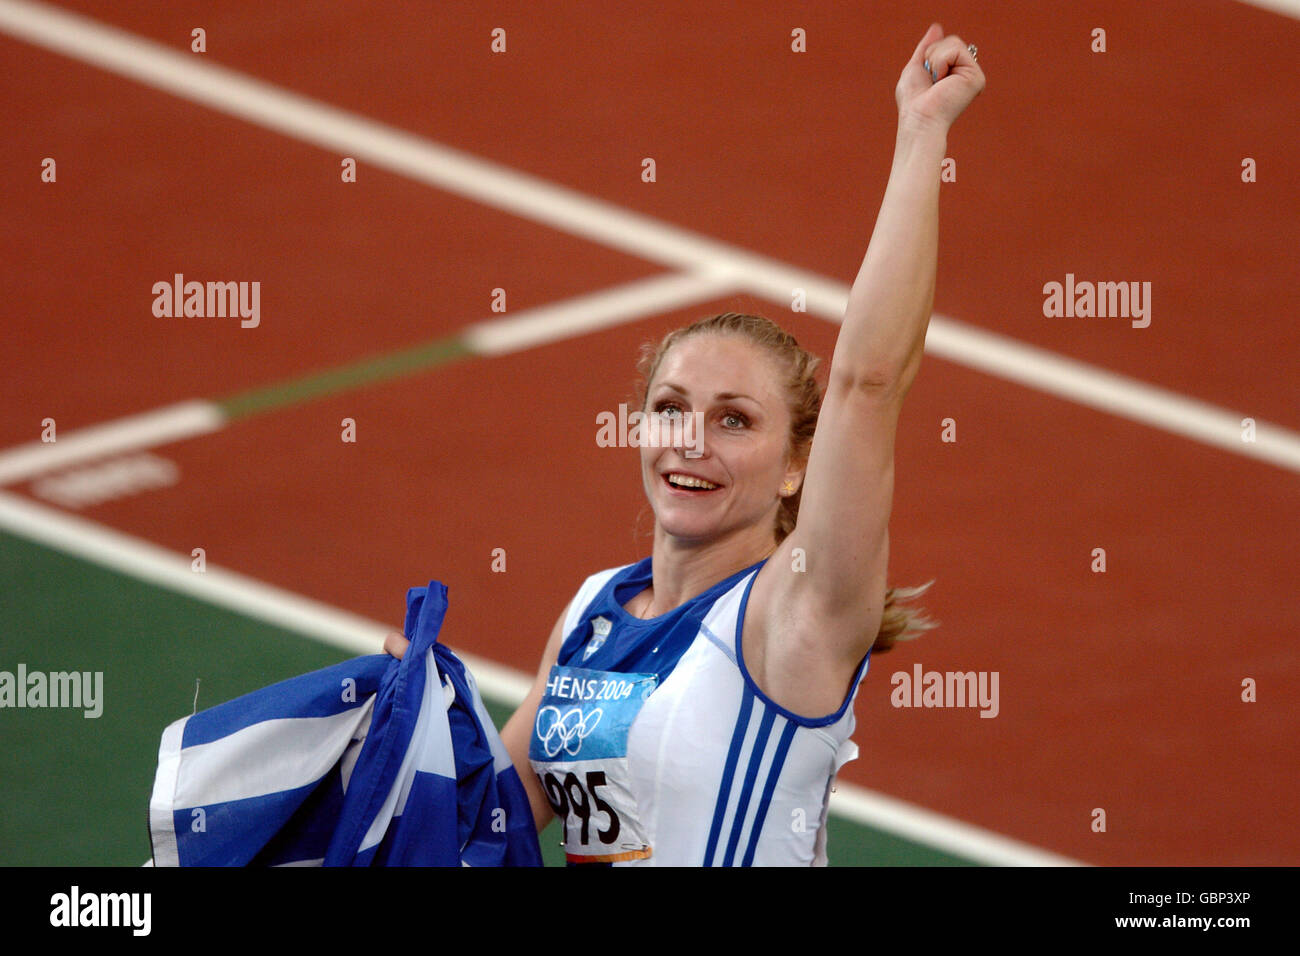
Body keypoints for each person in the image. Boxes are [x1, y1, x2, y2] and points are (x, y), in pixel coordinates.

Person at [386, 23, 984, 865]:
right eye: (670, 409)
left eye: (735, 419)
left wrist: (921, 135)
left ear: (797, 466)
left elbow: (869, 381)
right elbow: (487, 821)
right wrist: (418, 729)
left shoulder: (795, 614)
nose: (691, 441)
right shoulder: (592, 611)